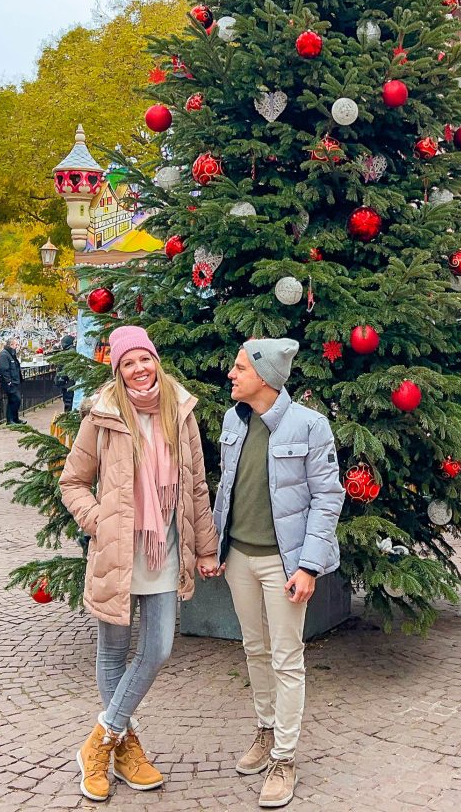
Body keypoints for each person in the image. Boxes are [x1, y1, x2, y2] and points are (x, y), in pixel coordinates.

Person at [59, 327, 220, 800]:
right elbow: (72, 481)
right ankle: (125, 750)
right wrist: (100, 521)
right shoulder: (102, 415)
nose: (139, 369)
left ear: (156, 358)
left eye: (144, 359)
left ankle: (99, 740)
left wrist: (206, 548)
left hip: (166, 548)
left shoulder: (180, 411)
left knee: (158, 649)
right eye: (128, 363)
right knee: (112, 650)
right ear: (118, 369)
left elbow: (196, 486)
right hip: (119, 551)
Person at [213, 338, 344, 809]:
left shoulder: (310, 425)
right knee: (254, 649)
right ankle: (265, 731)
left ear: (265, 378)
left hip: (285, 565)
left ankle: (284, 759)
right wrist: (216, 545)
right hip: (240, 561)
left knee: (287, 659)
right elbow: (226, 490)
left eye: (239, 368)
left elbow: (329, 497)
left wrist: (309, 565)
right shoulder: (234, 419)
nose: (231, 374)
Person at [0, 337, 24, 425]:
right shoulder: (4, 355)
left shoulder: (11, 354)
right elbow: (4, 369)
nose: (17, 346)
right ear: (11, 345)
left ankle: (15, 419)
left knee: (15, 400)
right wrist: (9, 382)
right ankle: (10, 420)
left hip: (15, 381)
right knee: (15, 399)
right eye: (16, 344)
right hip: (9, 383)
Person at [56, 332, 78, 412]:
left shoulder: (67, 354)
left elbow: (64, 369)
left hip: (68, 383)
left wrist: (60, 379)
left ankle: (68, 417)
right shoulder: (75, 351)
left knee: (68, 402)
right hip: (72, 381)